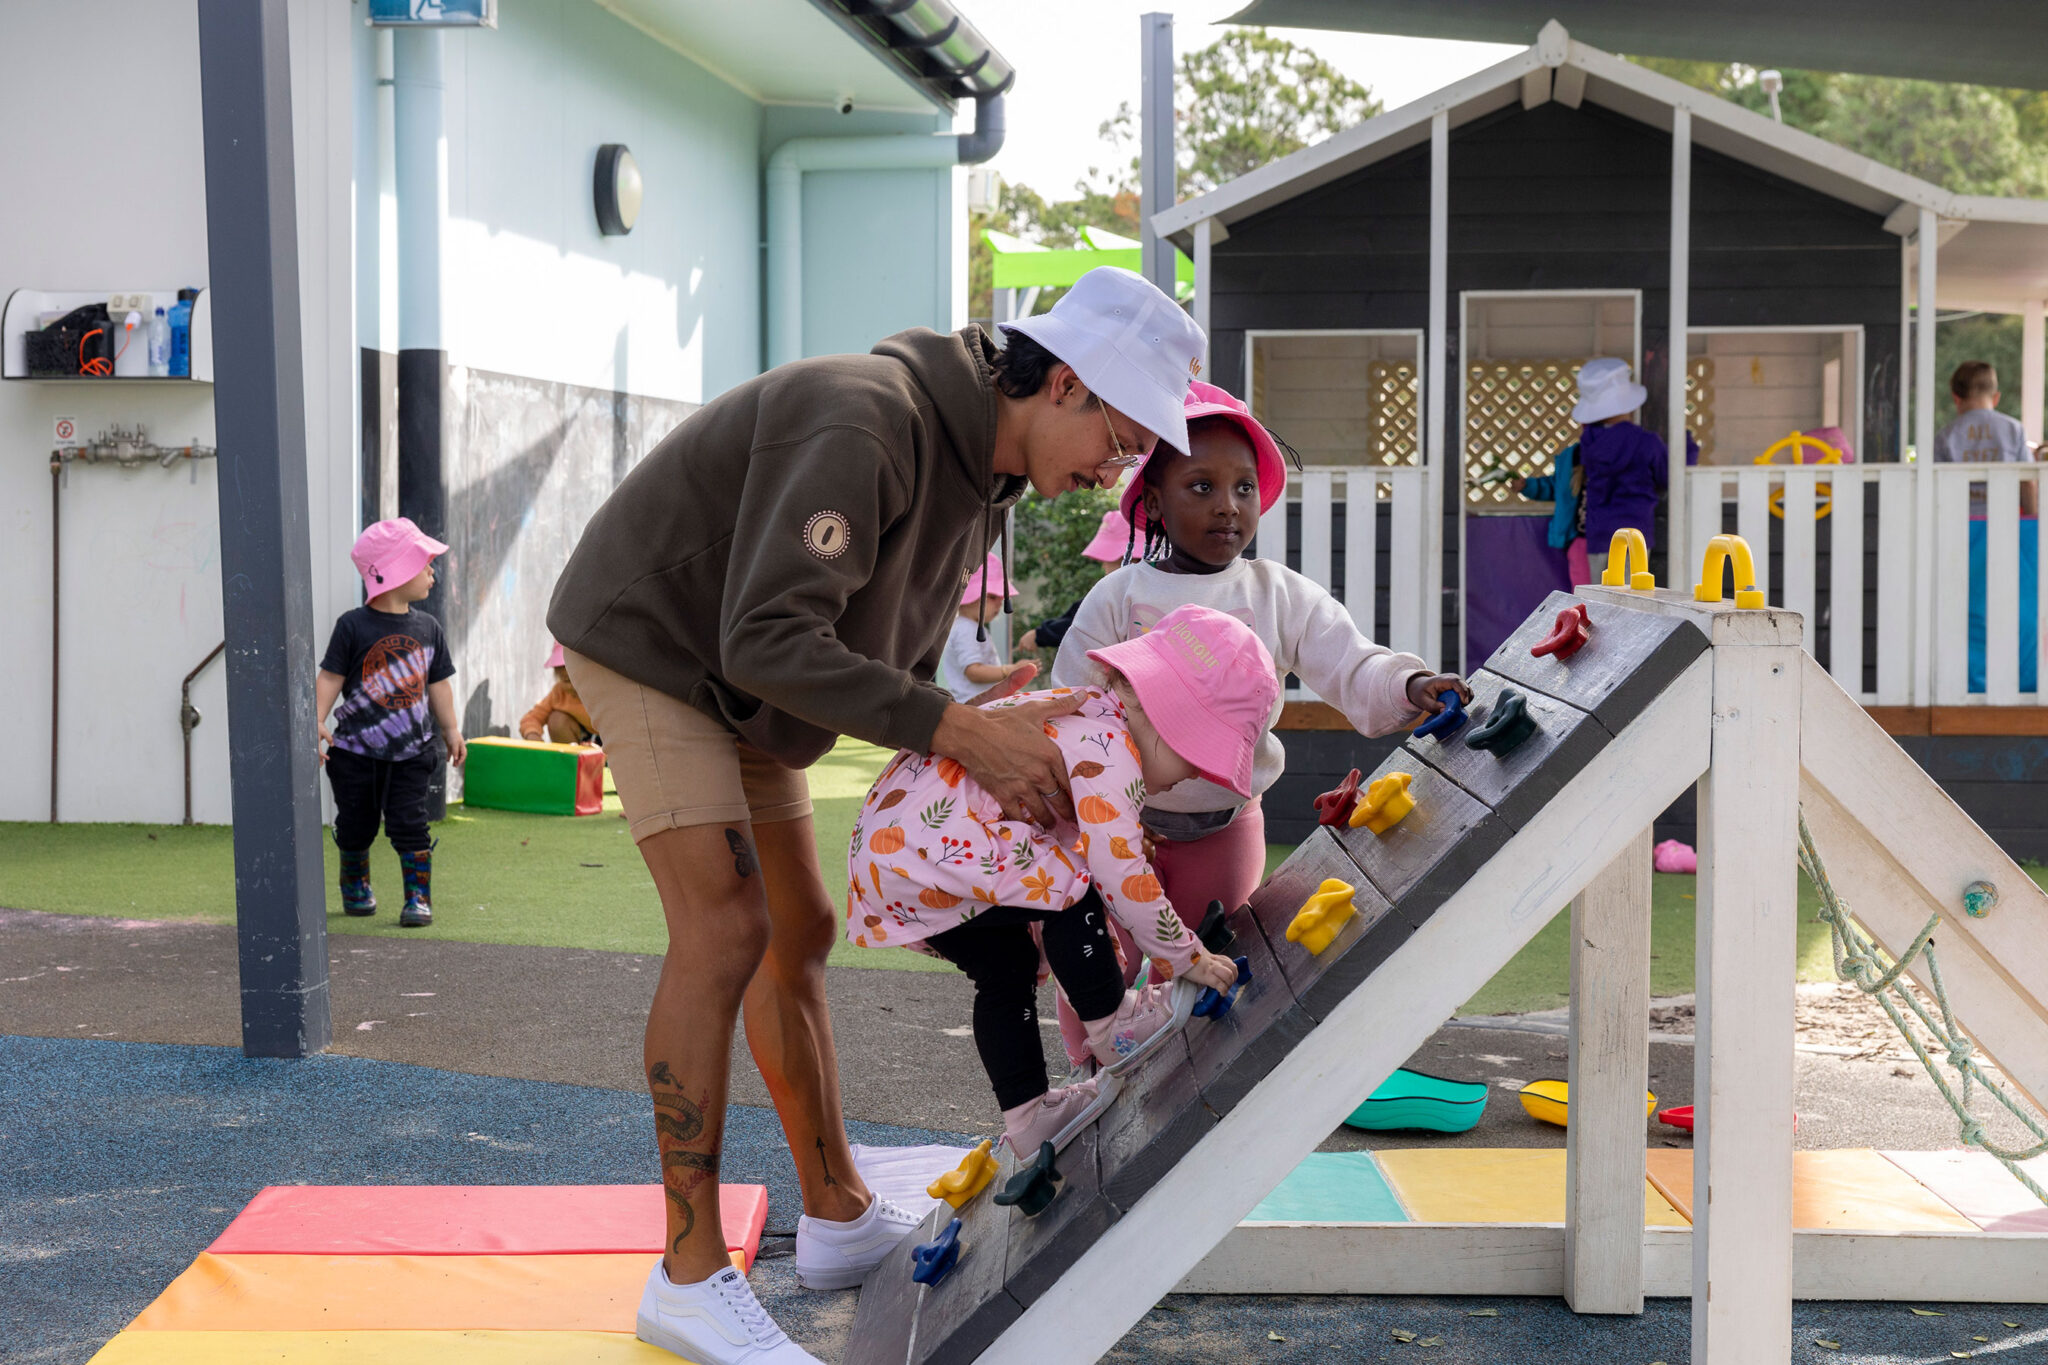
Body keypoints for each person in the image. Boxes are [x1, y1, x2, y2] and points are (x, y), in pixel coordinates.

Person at [546, 265, 1206, 1365]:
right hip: (656, 646)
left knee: (797, 930)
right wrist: (952, 731)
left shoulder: (977, 475)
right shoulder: (866, 417)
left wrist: (969, 708)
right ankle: (687, 1270)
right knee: (724, 928)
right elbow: (769, 636)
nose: (1113, 473)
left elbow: (858, 651)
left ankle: (838, 1215)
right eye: (1123, 442)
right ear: (1068, 387)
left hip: (741, 678)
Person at [1050, 381, 1469, 1071]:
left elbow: (1351, 662)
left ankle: (1184, 1097)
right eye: (1202, 485)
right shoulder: (1120, 597)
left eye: (1244, 488)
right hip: (1125, 826)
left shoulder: (1276, 593)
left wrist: (1411, 684)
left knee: (1215, 965)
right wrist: (1098, 811)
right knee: (1098, 965)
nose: (1227, 505)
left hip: (1226, 827)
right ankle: (1092, 1082)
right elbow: (1070, 706)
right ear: (1152, 501)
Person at [850, 604, 1258, 1150]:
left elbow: (1064, 825)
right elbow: (1118, 872)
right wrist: (1186, 956)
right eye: (1195, 762)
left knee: (1005, 969)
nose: (1189, 778)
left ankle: (1027, 1118)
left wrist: (1121, 837)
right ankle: (1114, 1028)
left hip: (892, 856)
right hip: (927, 849)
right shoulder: (1112, 749)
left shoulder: (1083, 711)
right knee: (1069, 883)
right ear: (1170, 726)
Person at [315, 517, 467, 929]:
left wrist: (451, 729)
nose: (432, 572)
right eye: (425, 563)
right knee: (356, 823)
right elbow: (330, 676)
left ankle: (417, 896)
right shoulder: (352, 626)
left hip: (412, 753)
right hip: (355, 752)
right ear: (396, 570)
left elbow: (439, 684)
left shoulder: (428, 628)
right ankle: (356, 882)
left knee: (409, 822)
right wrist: (315, 721)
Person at [1509, 357, 1696, 581]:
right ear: (1627, 402)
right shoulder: (1647, 442)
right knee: (1633, 602)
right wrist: (1686, 445)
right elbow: (1667, 478)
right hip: (1635, 534)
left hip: (1598, 535)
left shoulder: (1589, 443)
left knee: (1600, 602)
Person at [1014, 506, 1131, 655]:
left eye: (1107, 559)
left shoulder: (1119, 597)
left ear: (1128, 559)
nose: (1103, 565)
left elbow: (1079, 623)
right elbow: (1080, 612)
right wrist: (1040, 633)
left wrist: (1040, 634)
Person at [1935, 360, 2036, 517]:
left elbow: (1934, 485)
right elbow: (2028, 482)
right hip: (2005, 520)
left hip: (1957, 524)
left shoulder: (1946, 435)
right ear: (1996, 398)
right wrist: (2032, 523)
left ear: (1956, 398)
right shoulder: (2013, 429)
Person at [940, 550, 1017, 703]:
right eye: (993, 597)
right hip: (973, 704)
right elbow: (973, 672)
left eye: (1001, 598)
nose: (1000, 603)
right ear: (970, 597)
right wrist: (1009, 670)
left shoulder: (969, 627)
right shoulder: (967, 630)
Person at [520, 642, 598, 743]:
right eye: (566, 680)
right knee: (556, 720)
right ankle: (570, 757)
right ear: (559, 678)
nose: (574, 685)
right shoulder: (559, 693)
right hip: (584, 742)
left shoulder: (604, 691)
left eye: (579, 679)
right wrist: (533, 737)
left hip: (611, 741)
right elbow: (531, 718)